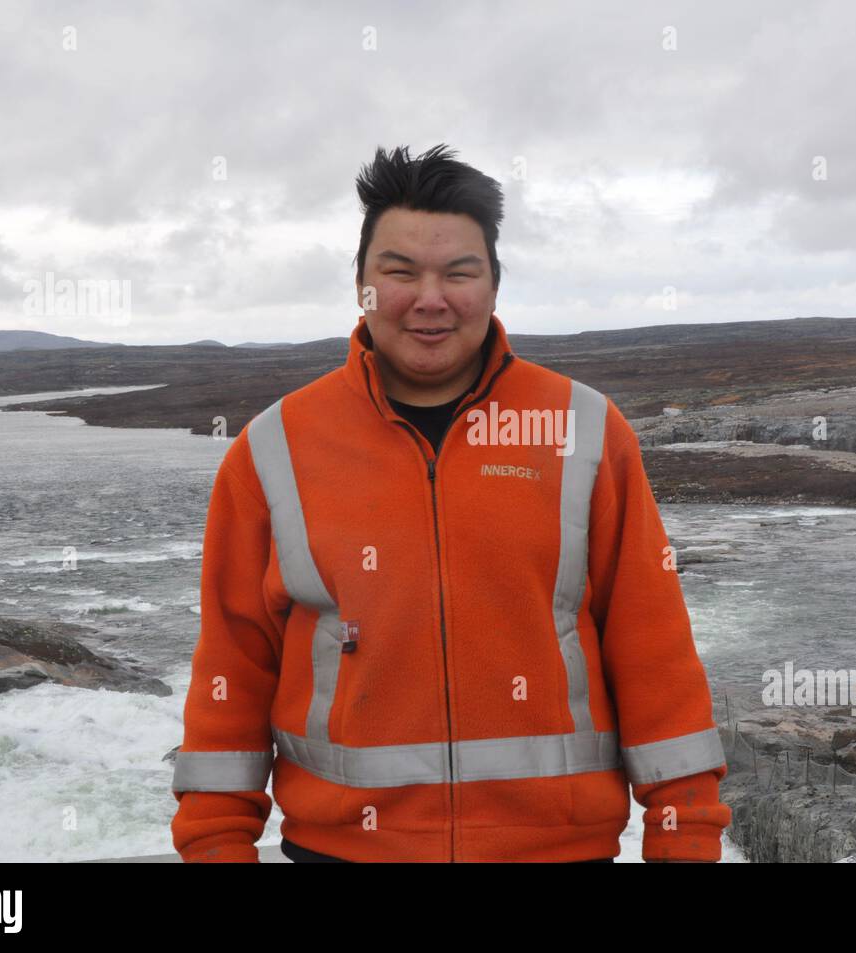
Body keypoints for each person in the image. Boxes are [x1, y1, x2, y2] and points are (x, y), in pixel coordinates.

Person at [170, 143, 730, 863]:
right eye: (399, 272)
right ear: (362, 285)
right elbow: (232, 667)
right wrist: (217, 846)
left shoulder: (585, 431)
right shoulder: (271, 447)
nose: (429, 299)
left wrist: (684, 838)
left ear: (494, 285)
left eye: (459, 272)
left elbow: (656, 654)